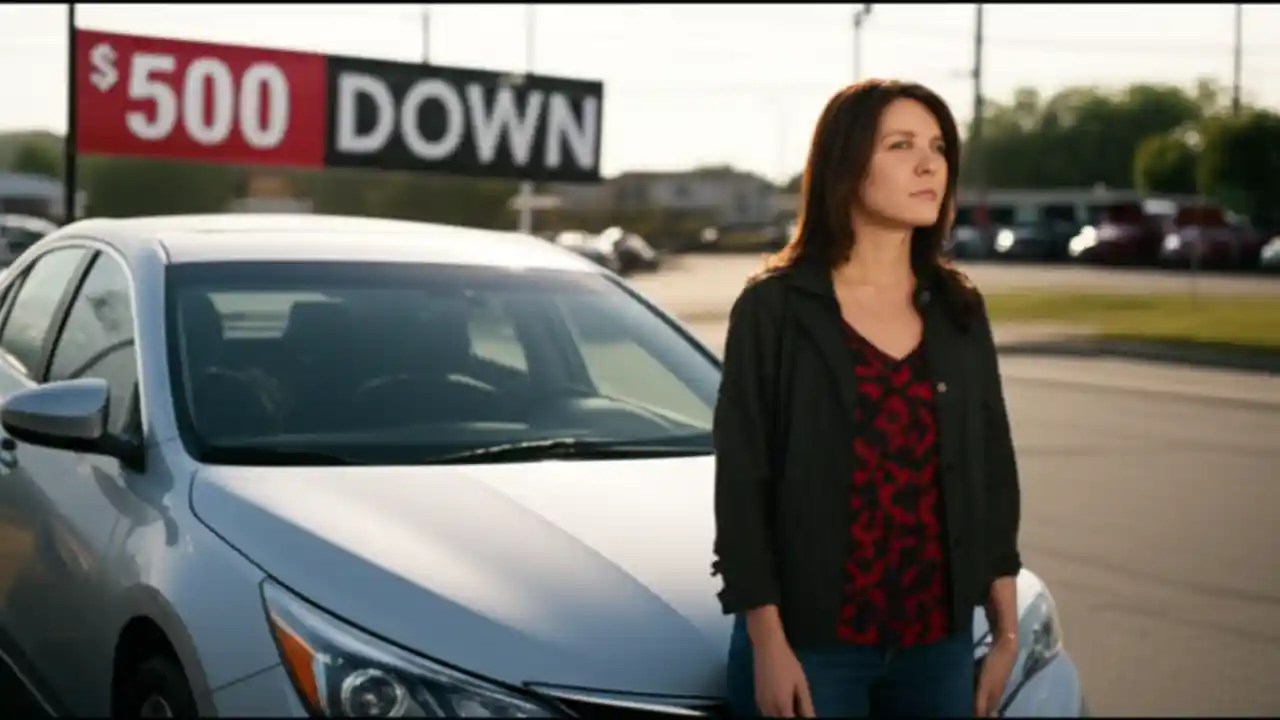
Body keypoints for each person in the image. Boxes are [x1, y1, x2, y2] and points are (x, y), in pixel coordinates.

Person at [711, 79, 1023, 718]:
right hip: (813, 644)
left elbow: (991, 471)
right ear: (847, 163)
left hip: (937, 643)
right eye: (900, 145)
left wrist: (1005, 634)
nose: (929, 163)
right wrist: (767, 642)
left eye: (937, 146)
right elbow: (743, 483)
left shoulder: (959, 309)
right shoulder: (775, 308)